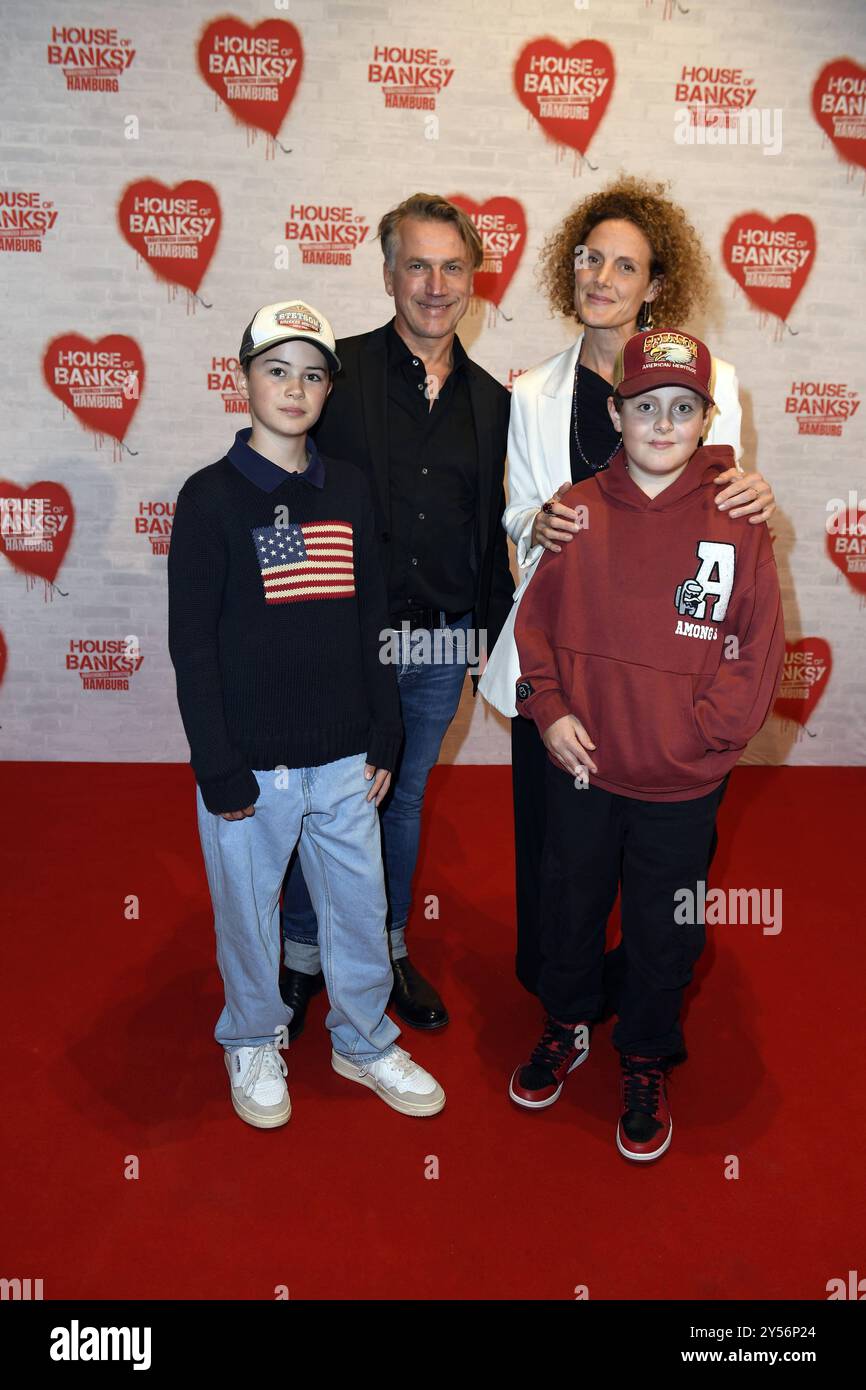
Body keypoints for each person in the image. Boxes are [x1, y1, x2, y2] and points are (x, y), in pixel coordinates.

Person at [478, 175, 777, 996]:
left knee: (659, 855)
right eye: (590, 259)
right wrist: (532, 523)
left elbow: (724, 504)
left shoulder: (710, 383)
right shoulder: (534, 392)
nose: (601, 279)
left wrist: (753, 491)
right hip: (566, 664)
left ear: (655, 285)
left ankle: (648, 993)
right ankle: (558, 994)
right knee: (558, 846)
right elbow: (511, 512)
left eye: (625, 266)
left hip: (665, 667)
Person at [167, 299, 445, 1129]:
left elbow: (368, 623)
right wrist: (217, 762)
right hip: (249, 766)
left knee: (360, 911)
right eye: (276, 369)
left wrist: (385, 730)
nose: (294, 388)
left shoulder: (349, 490)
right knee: (248, 918)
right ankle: (253, 1036)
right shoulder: (209, 498)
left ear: (329, 391)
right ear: (244, 377)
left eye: (313, 374)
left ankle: (362, 1040)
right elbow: (195, 646)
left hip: (343, 760)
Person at [509, 328, 784, 1160]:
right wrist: (551, 712)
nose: (662, 425)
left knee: (669, 930)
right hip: (584, 771)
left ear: (706, 418)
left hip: (680, 785)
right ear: (616, 413)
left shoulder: (737, 520)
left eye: (682, 408)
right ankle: (567, 1022)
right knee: (570, 905)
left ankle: (646, 1053)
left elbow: (757, 647)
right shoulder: (576, 510)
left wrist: (699, 740)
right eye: (644, 407)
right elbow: (537, 626)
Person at [279, 195, 513, 1036]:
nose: (435, 283)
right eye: (418, 264)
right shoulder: (333, 375)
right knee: (329, 800)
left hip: (440, 639)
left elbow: (491, 528)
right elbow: (285, 494)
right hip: (346, 640)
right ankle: (302, 955)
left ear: (473, 282)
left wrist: (492, 635)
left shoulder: (495, 402)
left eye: (453, 266)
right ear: (387, 275)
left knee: (402, 801)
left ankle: (385, 948)